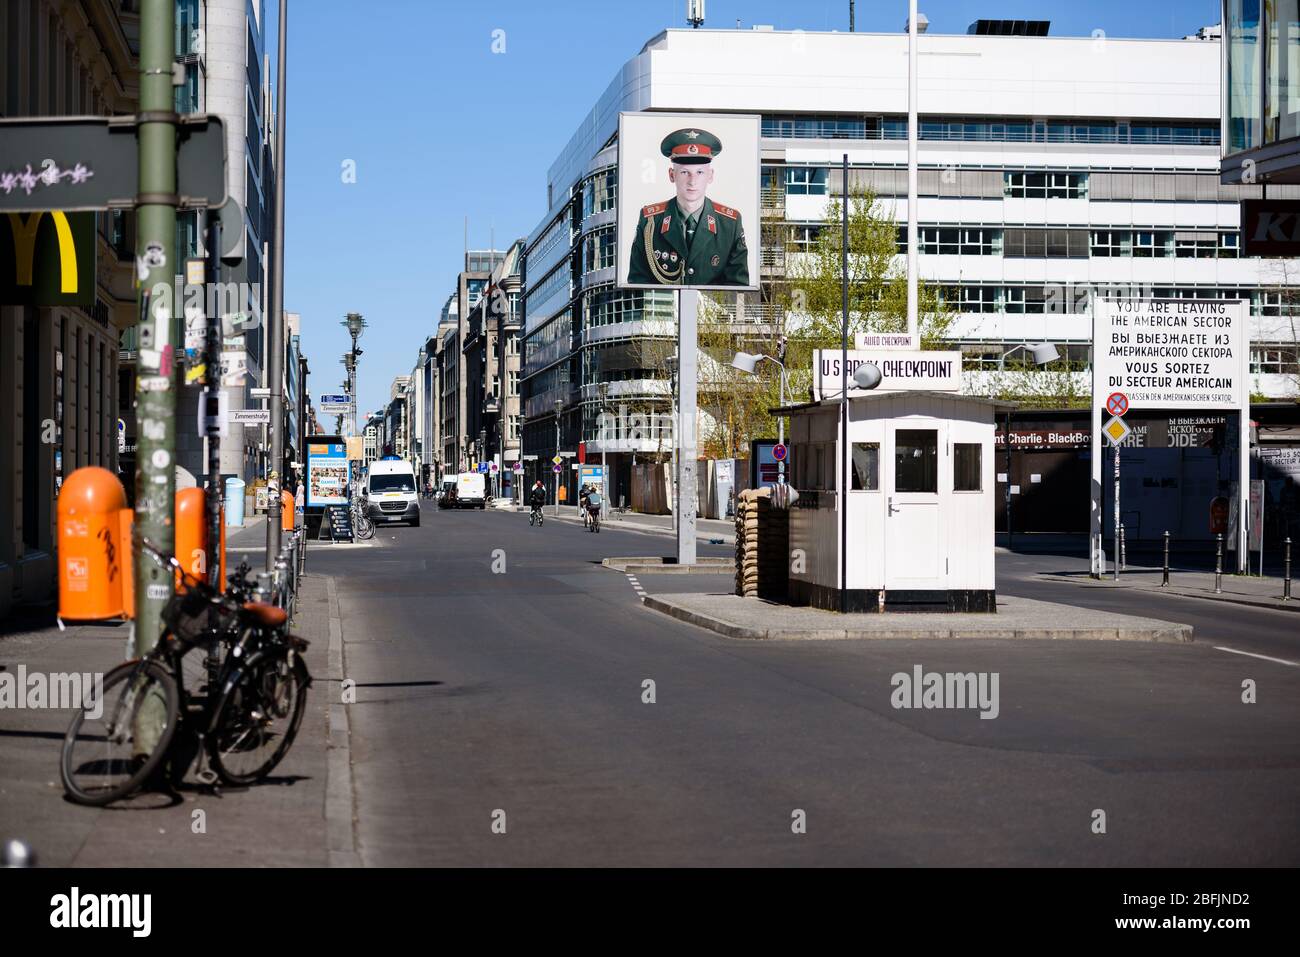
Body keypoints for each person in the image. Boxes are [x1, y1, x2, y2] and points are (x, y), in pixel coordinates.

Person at [627, 127, 750, 287]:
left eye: (699, 172)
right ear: (672, 175)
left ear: (710, 176)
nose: (692, 181)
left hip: (712, 312)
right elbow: (638, 284)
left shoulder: (730, 223)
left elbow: (738, 288)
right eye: (685, 172)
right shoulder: (650, 221)